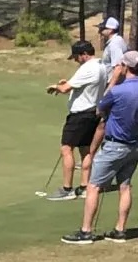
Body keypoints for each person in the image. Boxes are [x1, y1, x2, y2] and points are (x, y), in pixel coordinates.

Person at [65, 48, 138, 243]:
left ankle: (86, 231)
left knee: (94, 187)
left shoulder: (119, 91)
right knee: (125, 186)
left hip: (115, 145)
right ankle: (120, 230)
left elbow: (100, 107)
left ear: (126, 67)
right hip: (135, 145)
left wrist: (114, 80)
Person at [44, 38, 105, 201]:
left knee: (66, 148)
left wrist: (56, 86)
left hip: (80, 115)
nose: (76, 61)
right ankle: (85, 187)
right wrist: (67, 83)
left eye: (77, 57)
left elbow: (65, 88)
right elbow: (78, 85)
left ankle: (67, 189)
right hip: (93, 113)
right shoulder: (102, 66)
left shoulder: (88, 68)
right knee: (85, 149)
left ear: (84, 54)